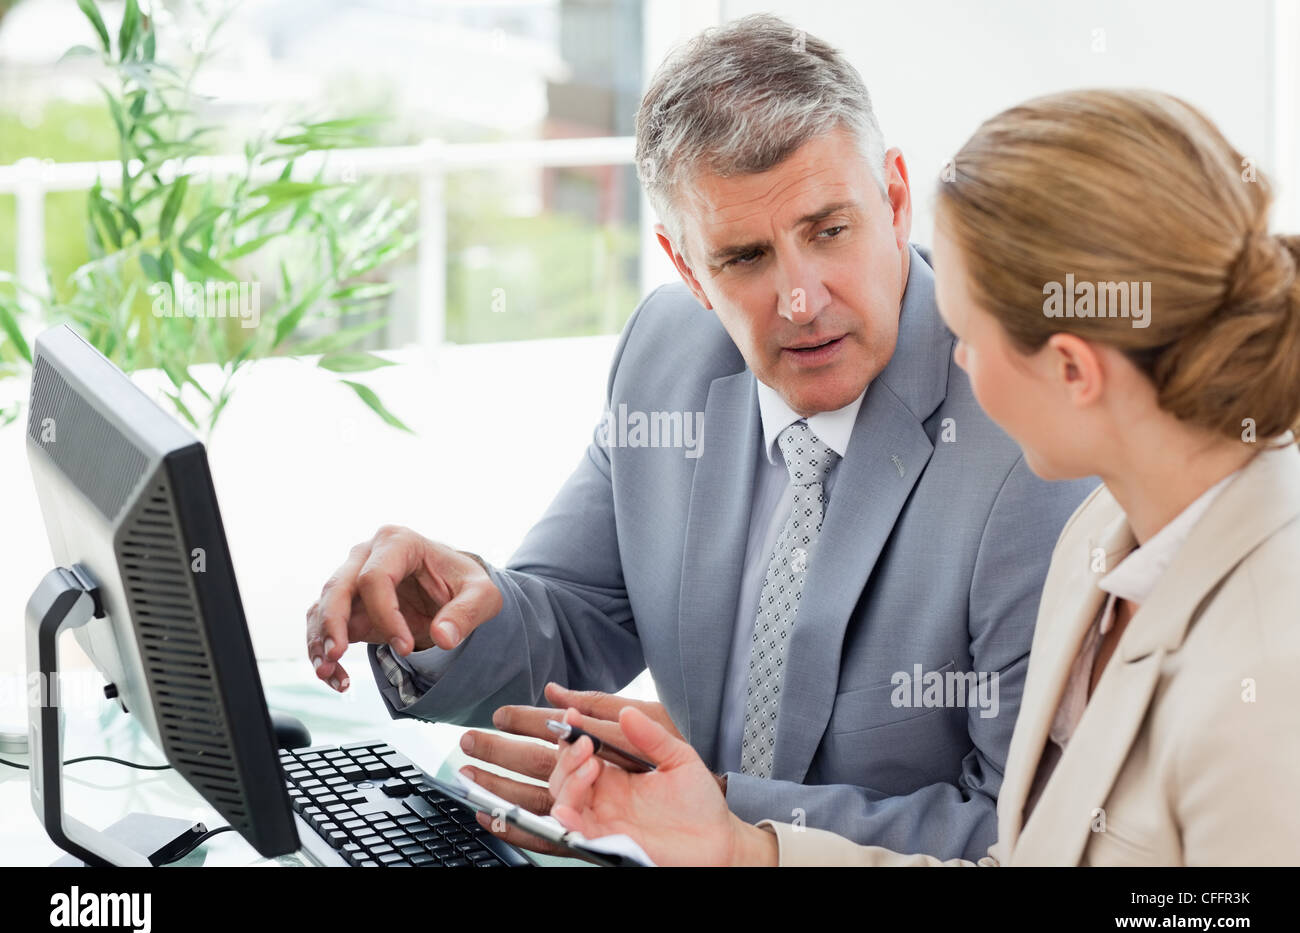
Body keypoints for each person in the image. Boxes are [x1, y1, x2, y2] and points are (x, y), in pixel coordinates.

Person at [303, 14, 1095, 860]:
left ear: (895, 200)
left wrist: (716, 819)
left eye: (830, 231)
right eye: (744, 258)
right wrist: (442, 623)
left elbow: (1024, 832)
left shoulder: (1026, 435)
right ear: (685, 266)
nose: (800, 299)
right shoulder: (667, 354)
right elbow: (572, 622)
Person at [545, 87, 1300, 866]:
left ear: (1072, 369)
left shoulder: (1270, 668)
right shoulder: (1098, 546)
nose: (952, 360)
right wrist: (745, 850)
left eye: (966, 333)